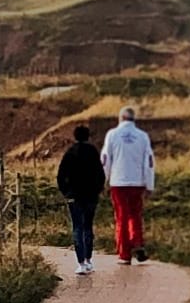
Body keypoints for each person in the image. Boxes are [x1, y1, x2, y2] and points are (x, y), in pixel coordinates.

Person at [99, 100, 156, 262]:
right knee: (135, 216)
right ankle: (137, 242)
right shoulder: (143, 137)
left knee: (121, 217)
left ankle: (124, 253)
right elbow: (149, 162)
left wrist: (103, 180)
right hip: (137, 183)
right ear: (133, 119)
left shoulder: (112, 135)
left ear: (120, 118)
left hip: (118, 183)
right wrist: (149, 184)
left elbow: (105, 160)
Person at [54, 122, 105, 274]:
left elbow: (61, 176)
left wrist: (66, 192)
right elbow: (100, 174)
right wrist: (98, 190)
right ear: (88, 136)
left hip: (74, 196)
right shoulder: (93, 152)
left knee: (77, 227)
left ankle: (81, 262)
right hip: (90, 196)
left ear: (74, 136)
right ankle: (89, 260)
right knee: (88, 226)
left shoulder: (70, 152)